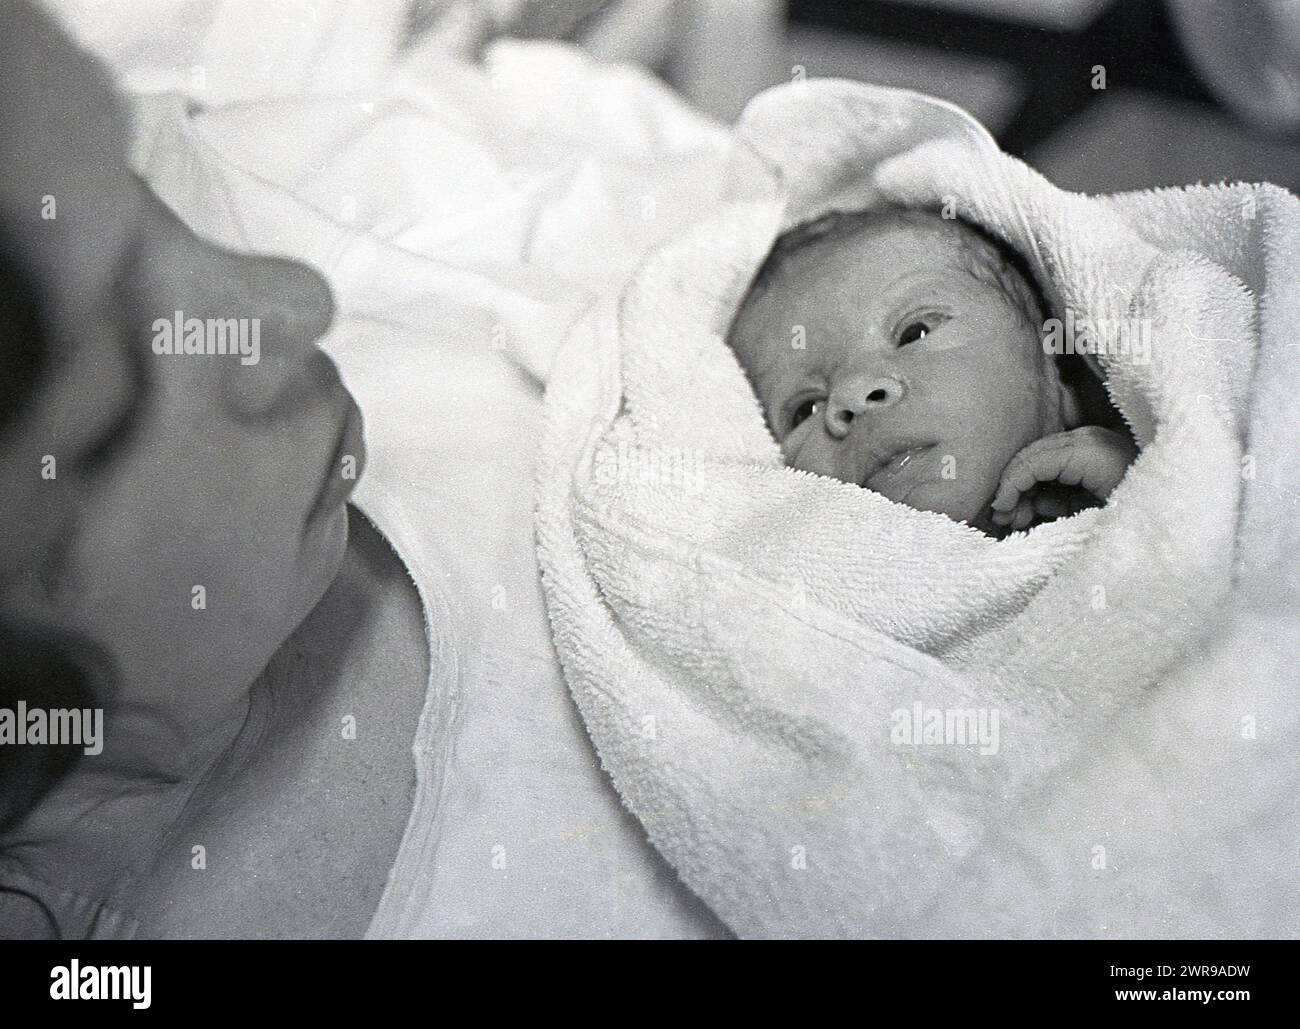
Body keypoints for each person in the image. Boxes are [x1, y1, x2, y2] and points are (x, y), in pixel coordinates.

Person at [726, 208, 1138, 535]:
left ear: (1053, 366)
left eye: (914, 332)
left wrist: (1138, 495)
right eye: (806, 410)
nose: (852, 394)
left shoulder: (1143, 483)